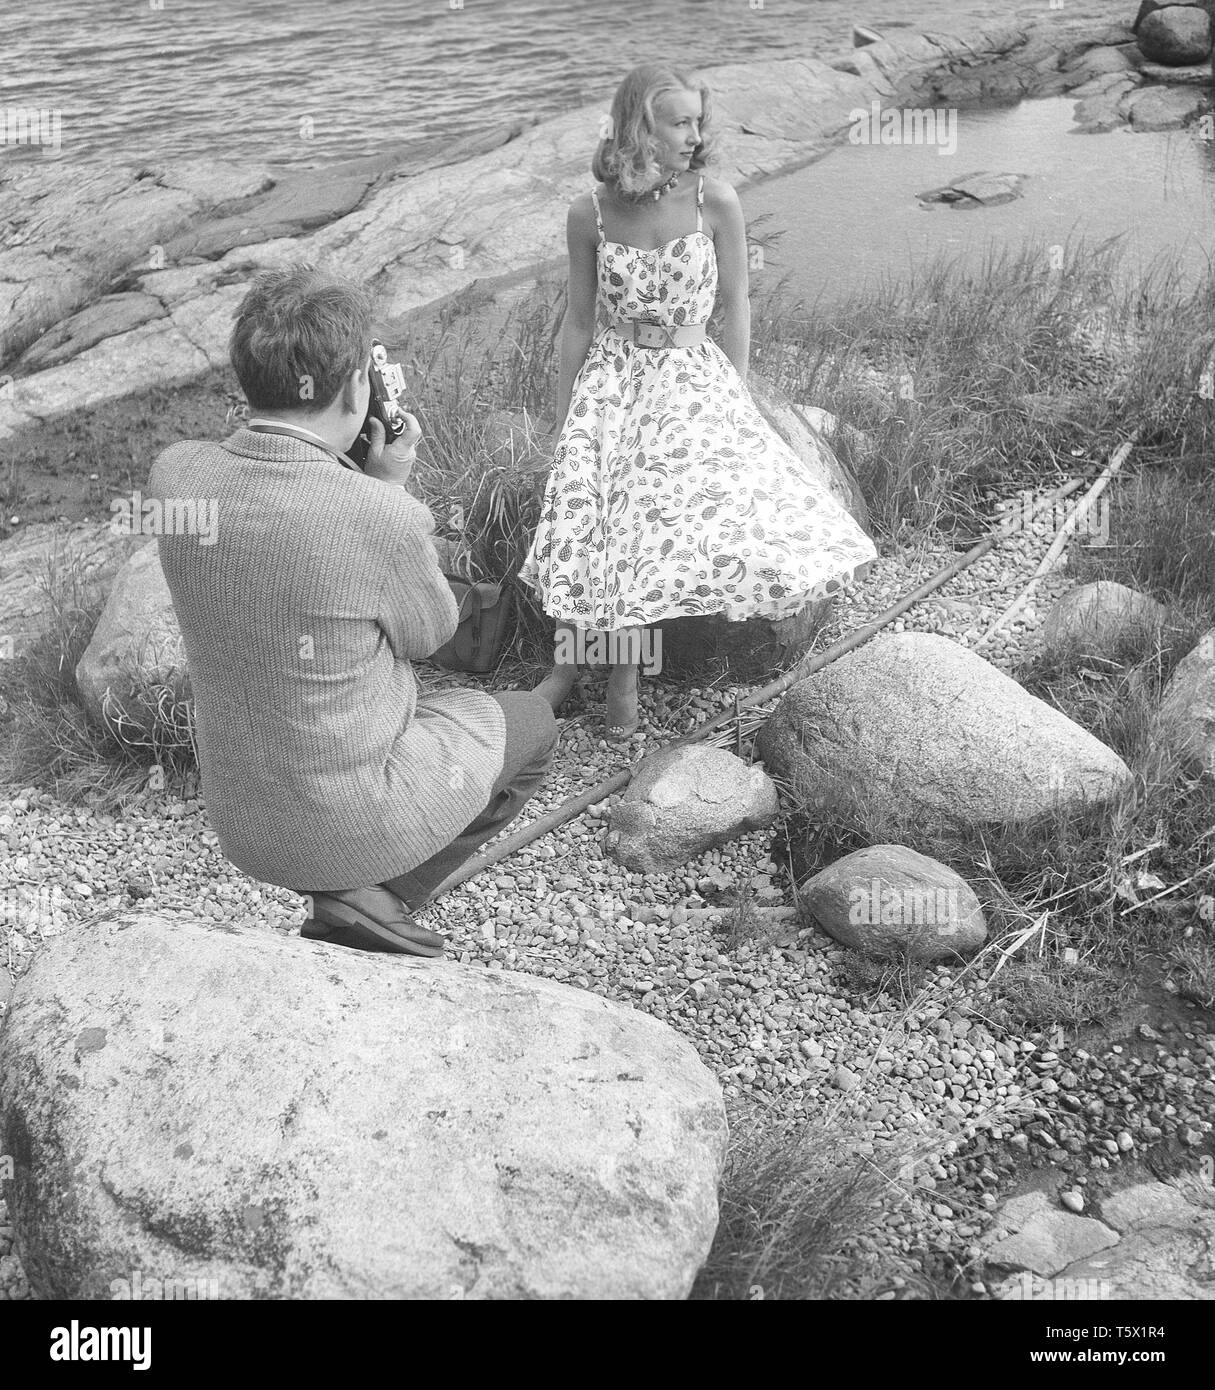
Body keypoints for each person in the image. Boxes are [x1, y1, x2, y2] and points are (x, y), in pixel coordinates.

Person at [150, 264, 565, 957]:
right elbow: (431, 633)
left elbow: (276, 510)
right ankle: (377, 895)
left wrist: (363, 486)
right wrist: (390, 489)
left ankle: (357, 896)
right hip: (340, 823)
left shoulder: (176, 476)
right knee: (532, 726)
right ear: (355, 389)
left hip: (240, 820)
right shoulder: (378, 517)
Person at [518, 63, 878, 739]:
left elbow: (737, 302)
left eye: (696, 120)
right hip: (615, 374)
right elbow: (576, 321)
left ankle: (623, 676)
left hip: (690, 372)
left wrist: (734, 395)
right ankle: (573, 665)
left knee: (656, 508)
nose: (694, 134)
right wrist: (565, 410)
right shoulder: (588, 213)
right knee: (587, 509)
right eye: (679, 121)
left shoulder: (716, 199)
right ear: (637, 128)